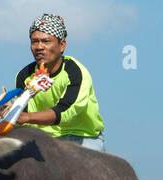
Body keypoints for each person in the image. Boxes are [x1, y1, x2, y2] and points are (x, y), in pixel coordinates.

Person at [15, 13, 106, 150]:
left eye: (46, 41)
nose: (39, 47)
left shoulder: (76, 72)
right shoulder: (24, 76)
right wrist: (13, 111)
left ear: (62, 45)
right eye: (34, 41)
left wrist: (26, 117)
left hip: (82, 136)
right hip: (44, 138)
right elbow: (25, 119)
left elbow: (65, 111)